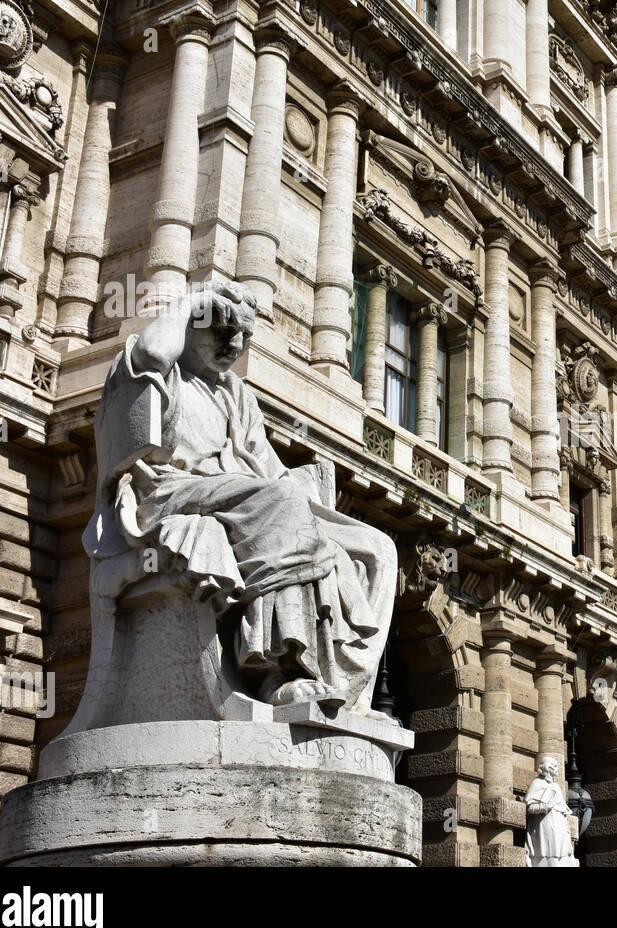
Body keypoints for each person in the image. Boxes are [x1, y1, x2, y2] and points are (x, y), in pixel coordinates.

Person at [83, 280, 397, 713]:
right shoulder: (156, 368)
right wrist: (191, 300)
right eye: (223, 331)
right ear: (190, 325)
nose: (235, 344)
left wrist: (305, 482)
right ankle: (278, 669)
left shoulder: (235, 393)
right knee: (280, 504)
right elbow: (152, 354)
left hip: (237, 495)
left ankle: (344, 680)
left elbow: (269, 468)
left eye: (244, 336)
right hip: (168, 493)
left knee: (375, 548)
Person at [525, 756, 577, 867]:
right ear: (548, 768)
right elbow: (529, 807)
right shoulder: (537, 783)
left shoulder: (557, 787)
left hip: (560, 827)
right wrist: (545, 806)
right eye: (554, 766)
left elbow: (563, 810)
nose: (558, 768)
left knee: (561, 858)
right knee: (547, 856)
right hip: (544, 827)